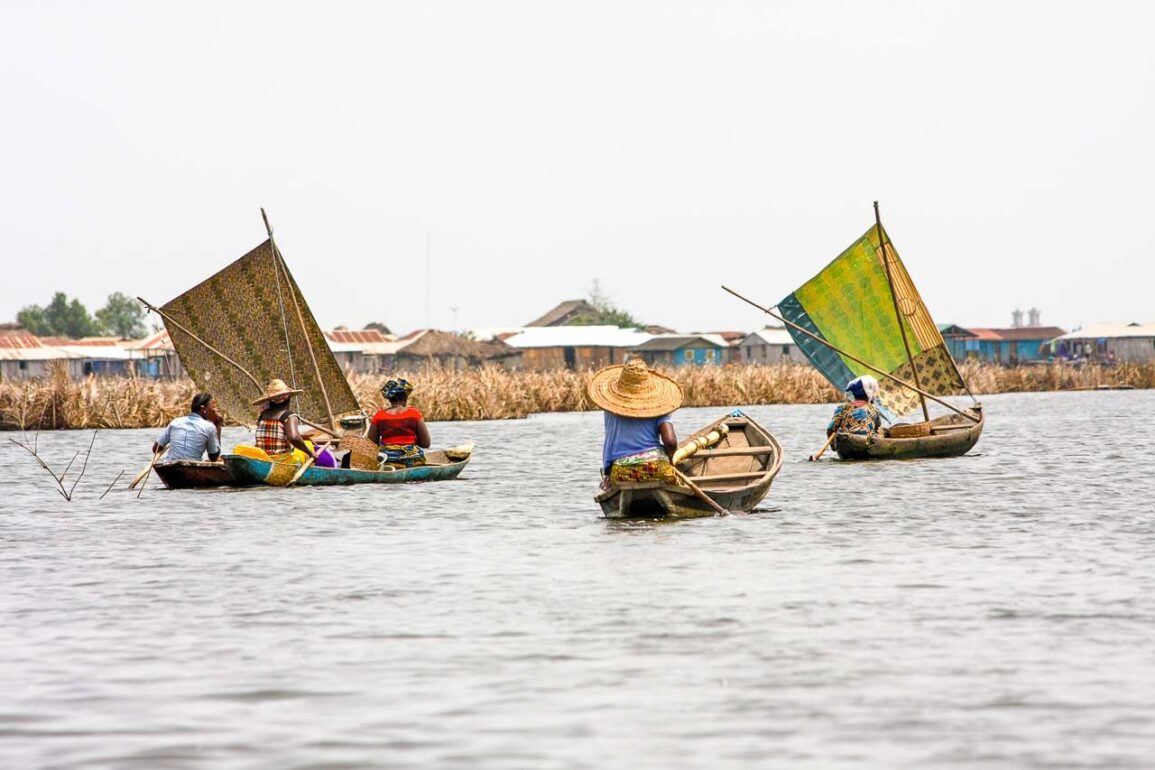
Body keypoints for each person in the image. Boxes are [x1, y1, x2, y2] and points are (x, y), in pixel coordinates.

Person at [587, 357, 683, 488]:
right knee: (674, 479)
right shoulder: (658, 406)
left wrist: (608, 473)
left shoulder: (610, 407)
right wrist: (670, 460)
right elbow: (670, 442)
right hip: (656, 469)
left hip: (621, 472)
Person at [251, 378, 320, 463]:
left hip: (263, 459)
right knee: (306, 448)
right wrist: (310, 453)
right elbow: (293, 437)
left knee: (303, 443)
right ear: (287, 399)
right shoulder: (289, 416)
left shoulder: (263, 415)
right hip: (281, 461)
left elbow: (273, 434)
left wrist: (301, 436)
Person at [368, 378, 431, 468]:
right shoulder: (414, 414)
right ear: (405, 398)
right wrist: (410, 441)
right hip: (412, 460)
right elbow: (426, 443)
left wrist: (387, 443)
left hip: (388, 460)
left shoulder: (379, 416)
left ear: (390, 399)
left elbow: (371, 444)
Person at [152, 392, 223, 461]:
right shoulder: (209, 427)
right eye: (213, 407)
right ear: (203, 409)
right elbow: (214, 457)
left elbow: (156, 448)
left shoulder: (176, 422)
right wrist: (218, 427)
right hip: (192, 467)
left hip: (169, 465)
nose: (216, 410)